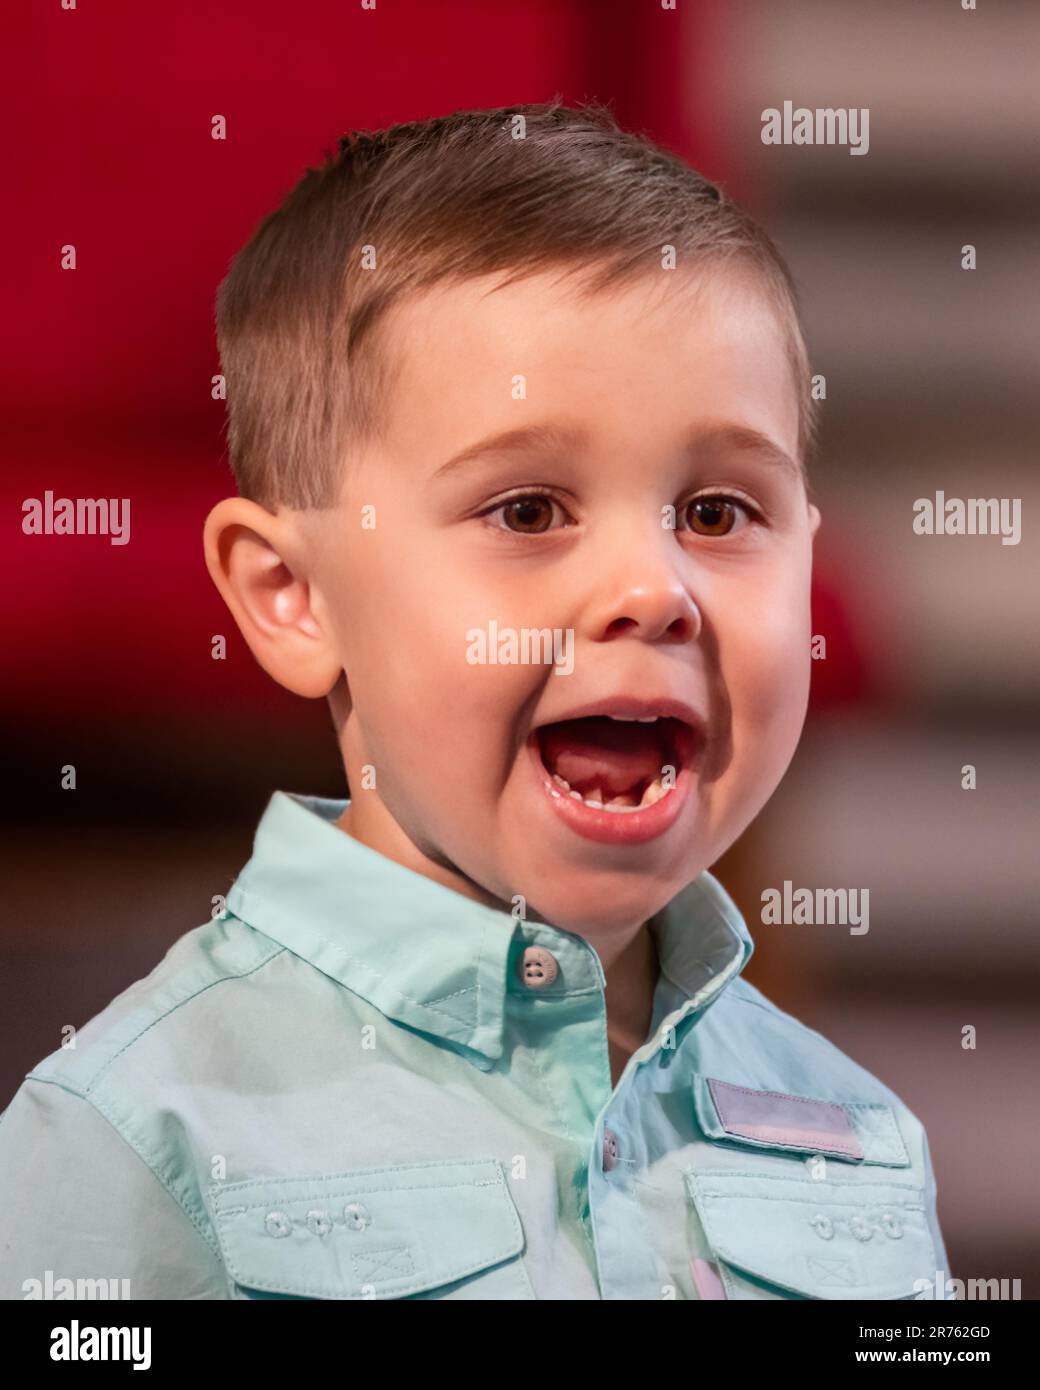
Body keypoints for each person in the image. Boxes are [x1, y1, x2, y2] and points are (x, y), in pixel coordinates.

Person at [0, 100, 949, 1300]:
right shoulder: (133, 1136)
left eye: (715, 514)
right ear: (292, 595)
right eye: (527, 511)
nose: (652, 591)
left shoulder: (862, 1146)